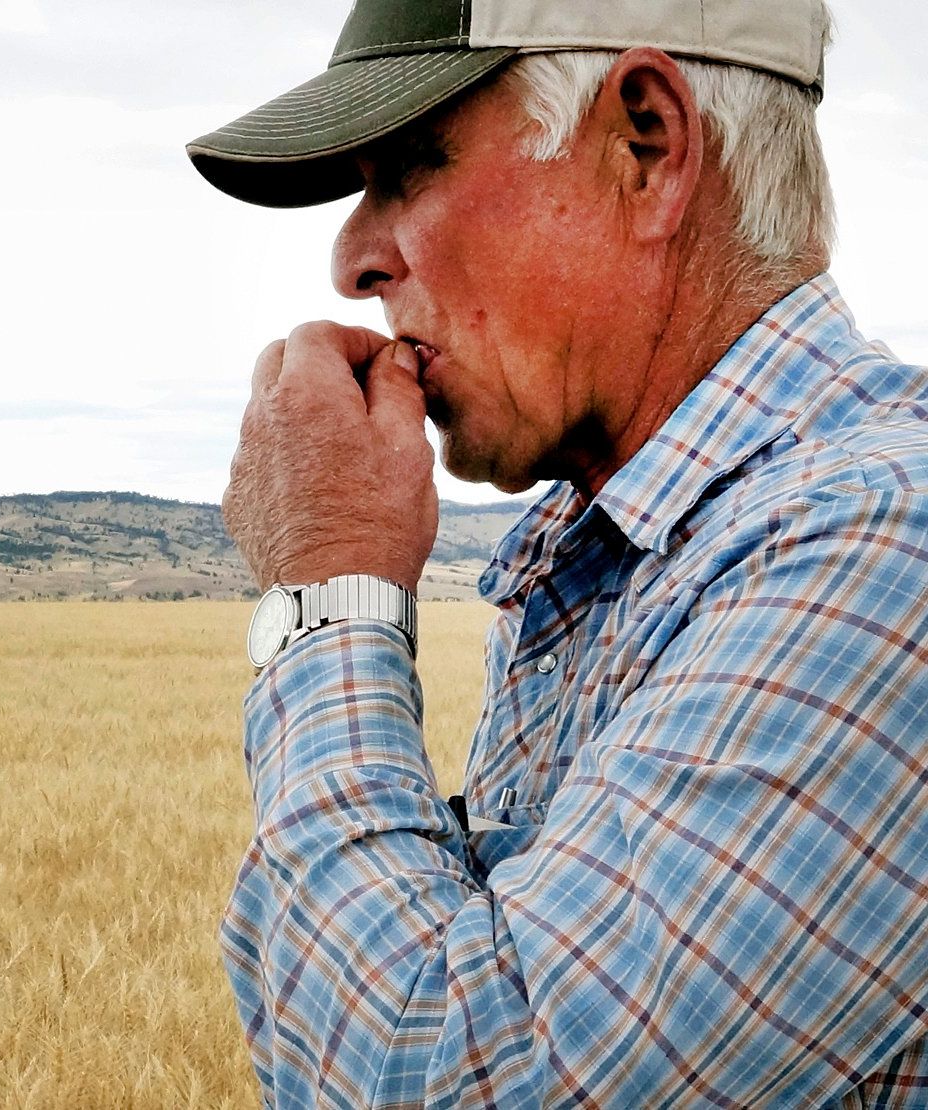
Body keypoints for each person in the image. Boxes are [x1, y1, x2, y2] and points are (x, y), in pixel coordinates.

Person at [187, 0, 928, 1104]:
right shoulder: (629, 549)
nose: (352, 257)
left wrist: (329, 589)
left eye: (409, 167)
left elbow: (437, 1070)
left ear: (646, 146)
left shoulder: (878, 545)